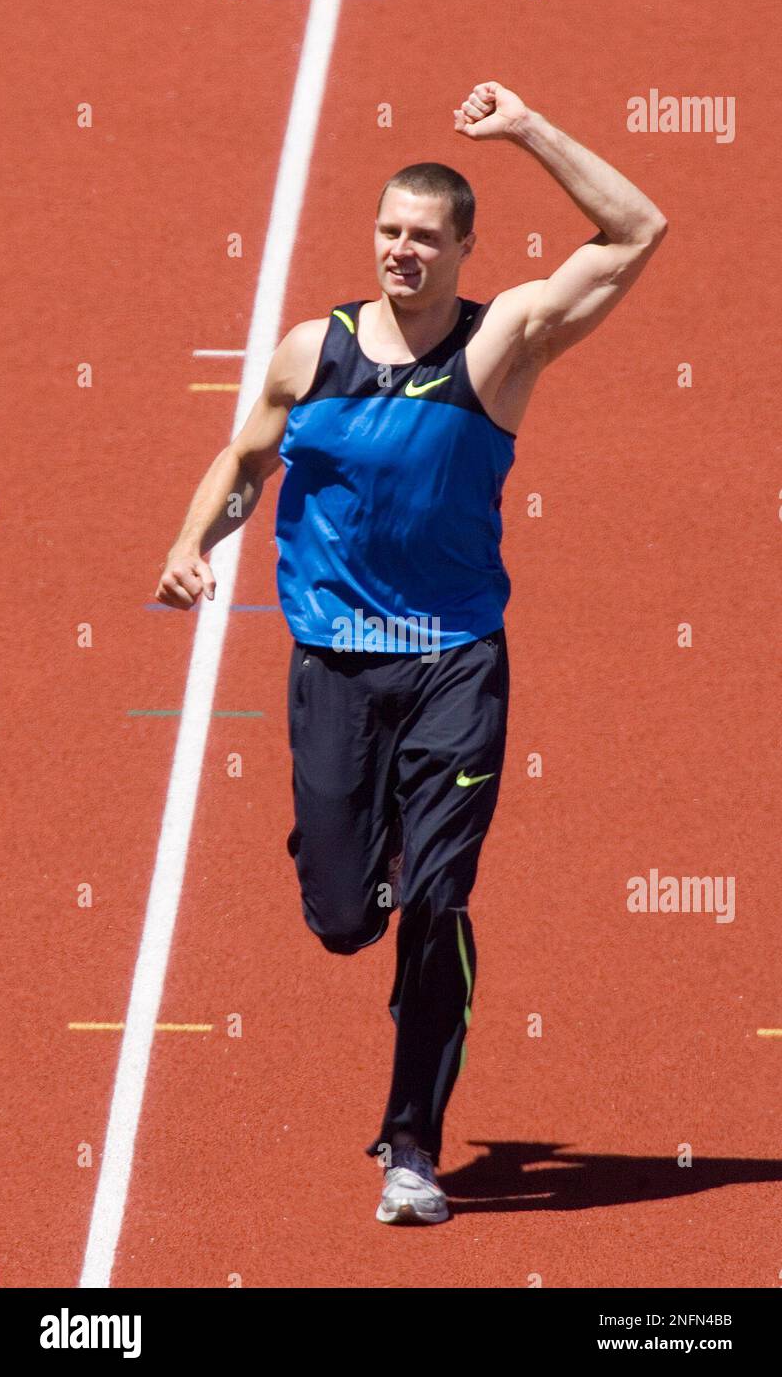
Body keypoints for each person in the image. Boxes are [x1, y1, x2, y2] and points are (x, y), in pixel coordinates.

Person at [155, 81, 668, 1225]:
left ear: (463, 249)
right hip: (334, 666)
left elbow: (638, 229)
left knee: (437, 904)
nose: (402, 251)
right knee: (346, 916)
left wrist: (531, 126)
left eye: (425, 237)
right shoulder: (314, 350)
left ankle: (411, 1149)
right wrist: (194, 542)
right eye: (389, 231)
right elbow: (247, 460)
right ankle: (375, 859)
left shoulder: (503, 347)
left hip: (453, 666)